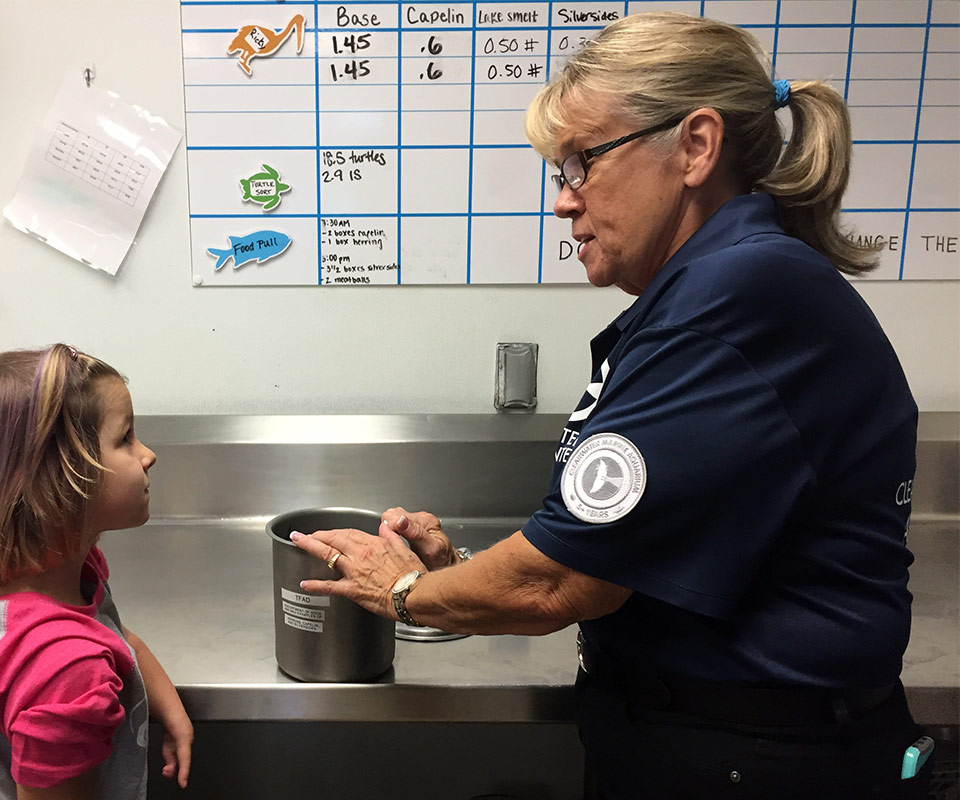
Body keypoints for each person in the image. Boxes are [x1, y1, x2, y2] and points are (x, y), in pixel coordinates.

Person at [292, 12, 932, 799]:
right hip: (703, 735)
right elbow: (626, 545)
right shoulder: (713, 290)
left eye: (581, 164)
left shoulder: (738, 297)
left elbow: (562, 581)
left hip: (759, 757)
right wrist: (462, 575)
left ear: (695, 146)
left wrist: (403, 590)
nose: (564, 203)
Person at [0, 344, 192, 800]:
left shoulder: (10, 579)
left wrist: (173, 711)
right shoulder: (67, 674)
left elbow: (116, 634)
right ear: (58, 481)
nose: (148, 454)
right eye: (124, 439)